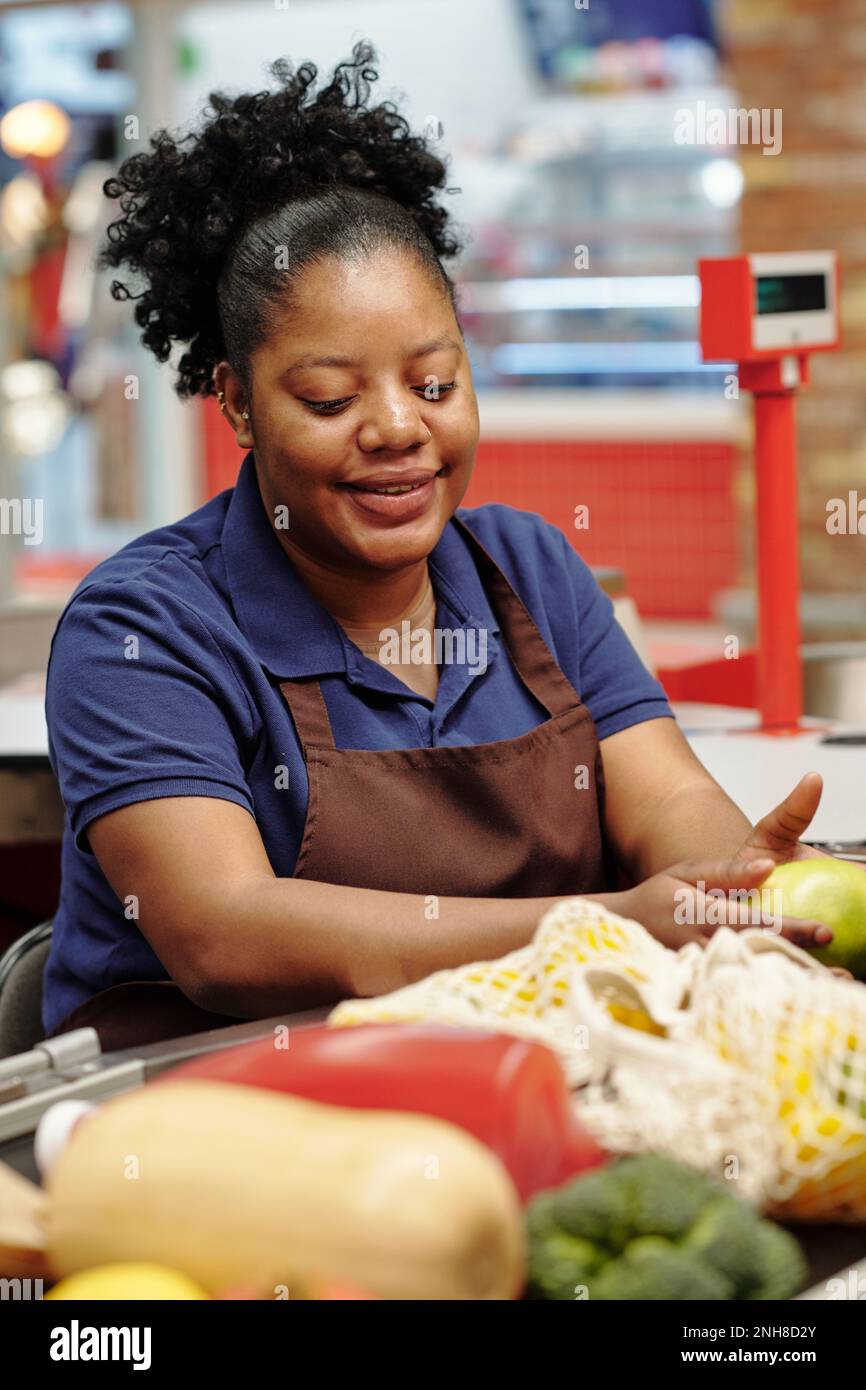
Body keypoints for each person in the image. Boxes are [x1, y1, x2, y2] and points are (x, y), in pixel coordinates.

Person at [42, 42, 837, 1049]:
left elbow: (667, 791)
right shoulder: (147, 623)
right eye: (330, 398)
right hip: (209, 1124)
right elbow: (221, 932)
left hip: (526, 1079)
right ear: (237, 405)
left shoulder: (531, 572)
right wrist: (600, 929)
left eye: (432, 384)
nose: (396, 429)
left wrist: (724, 886)